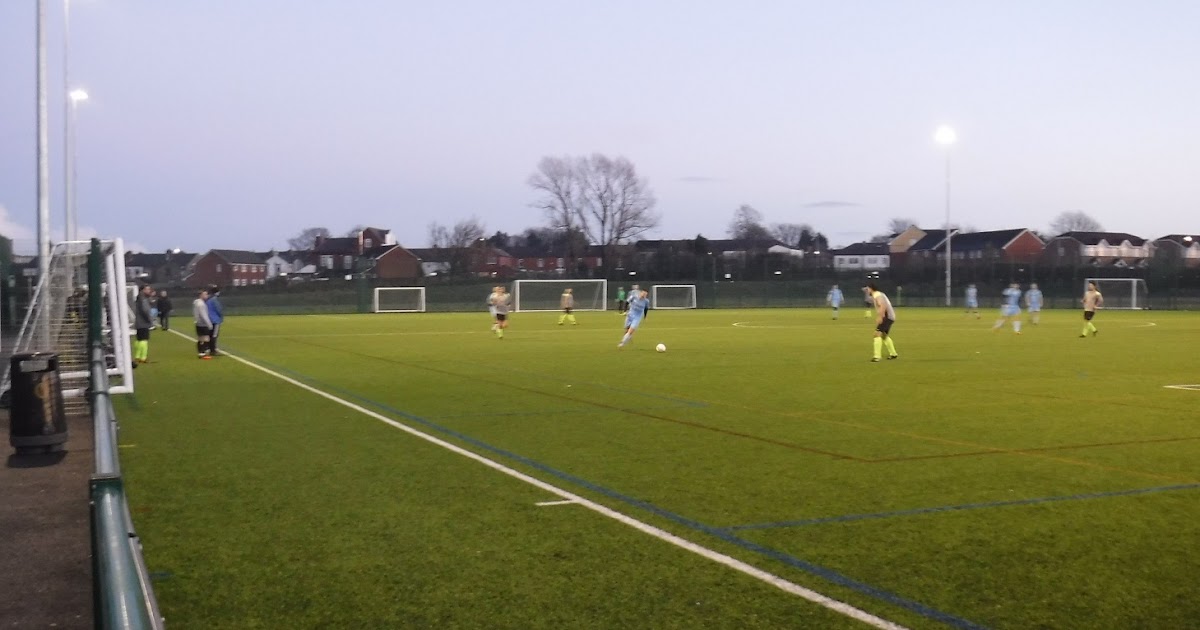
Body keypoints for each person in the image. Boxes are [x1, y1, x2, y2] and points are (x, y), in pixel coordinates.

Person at [867, 282, 898, 362]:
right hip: (890, 316)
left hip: (887, 317)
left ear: (871, 289)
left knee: (876, 334)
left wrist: (880, 317)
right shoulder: (878, 294)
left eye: (867, 289)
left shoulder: (877, 295)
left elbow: (883, 305)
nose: (867, 291)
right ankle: (893, 354)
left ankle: (877, 357)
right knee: (884, 335)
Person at [132, 284, 154, 365]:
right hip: (143, 322)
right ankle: (143, 357)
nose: (149, 291)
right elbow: (145, 310)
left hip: (138, 322)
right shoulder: (143, 299)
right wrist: (150, 320)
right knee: (144, 340)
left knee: (139, 339)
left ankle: (137, 356)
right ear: (143, 290)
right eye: (147, 289)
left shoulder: (139, 298)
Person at [193, 289, 213, 359]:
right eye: (205, 294)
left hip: (198, 323)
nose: (207, 296)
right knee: (206, 338)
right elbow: (204, 315)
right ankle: (203, 352)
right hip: (203, 323)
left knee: (200, 338)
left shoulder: (197, 302)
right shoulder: (201, 304)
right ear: (201, 295)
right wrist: (209, 324)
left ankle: (201, 353)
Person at [207, 286, 225, 355]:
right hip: (215, 320)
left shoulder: (208, 299)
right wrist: (221, 317)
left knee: (210, 334)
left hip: (209, 319)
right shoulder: (214, 300)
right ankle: (213, 350)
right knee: (214, 335)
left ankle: (209, 348)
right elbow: (218, 309)